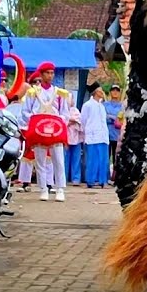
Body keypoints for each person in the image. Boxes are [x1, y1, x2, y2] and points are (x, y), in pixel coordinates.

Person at [22, 61, 74, 202]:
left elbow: (65, 113)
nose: (50, 76)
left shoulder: (59, 93)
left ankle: (60, 189)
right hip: (39, 130)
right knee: (40, 160)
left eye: (52, 73)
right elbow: (25, 112)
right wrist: (36, 120)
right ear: (41, 74)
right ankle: (43, 189)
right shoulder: (32, 92)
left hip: (54, 131)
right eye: (47, 73)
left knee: (58, 160)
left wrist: (57, 121)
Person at [81, 87, 111, 188]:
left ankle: (103, 181)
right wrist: (87, 132)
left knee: (103, 160)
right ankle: (90, 181)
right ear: (95, 92)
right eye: (100, 91)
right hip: (92, 136)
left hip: (103, 136)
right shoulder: (87, 105)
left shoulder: (102, 106)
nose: (102, 93)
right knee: (92, 160)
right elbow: (83, 120)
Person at [105, 84, 124, 182]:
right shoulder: (105, 104)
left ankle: (115, 177)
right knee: (106, 157)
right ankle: (105, 176)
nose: (115, 92)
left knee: (117, 157)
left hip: (117, 135)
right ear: (110, 92)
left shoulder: (122, 105)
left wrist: (112, 117)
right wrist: (114, 117)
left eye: (117, 90)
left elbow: (122, 118)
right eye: (113, 90)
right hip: (106, 134)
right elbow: (104, 116)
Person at [66, 104, 84, 187]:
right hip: (65, 138)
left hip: (76, 139)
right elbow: (62, 120)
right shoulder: (62, 109)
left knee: (76, 160)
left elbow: (79, 120)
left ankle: (76, 179)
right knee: (64, 160)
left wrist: (72, 121)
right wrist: (70, 121)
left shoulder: (76, 110)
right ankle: (63, 178)